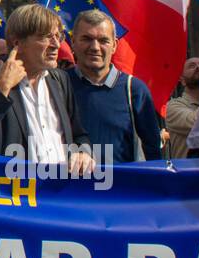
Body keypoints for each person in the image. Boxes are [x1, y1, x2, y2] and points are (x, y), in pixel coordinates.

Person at [0, 3, 93, 173]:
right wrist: (1, 89)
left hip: (58, 194)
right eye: (46, 37)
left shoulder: (60, 79)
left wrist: (83, 152)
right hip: (11, 194)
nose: (56, 45)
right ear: (17, 42)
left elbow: (79, 134)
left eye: (59, 36)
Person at [66, 10, 162, 162]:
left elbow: (152, 150)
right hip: (68, 184)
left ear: (115, 45)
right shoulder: (58, 85)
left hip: (121, 184)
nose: (95, 47)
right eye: (87, 39)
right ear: (73, 41)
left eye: (103, 40)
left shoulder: (134, 90)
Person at [164, 57, 199, 160]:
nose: (198, 67)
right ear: (181, 80)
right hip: (190, 173)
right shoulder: (173, 106)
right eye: (192, 66)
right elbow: (198, 124)